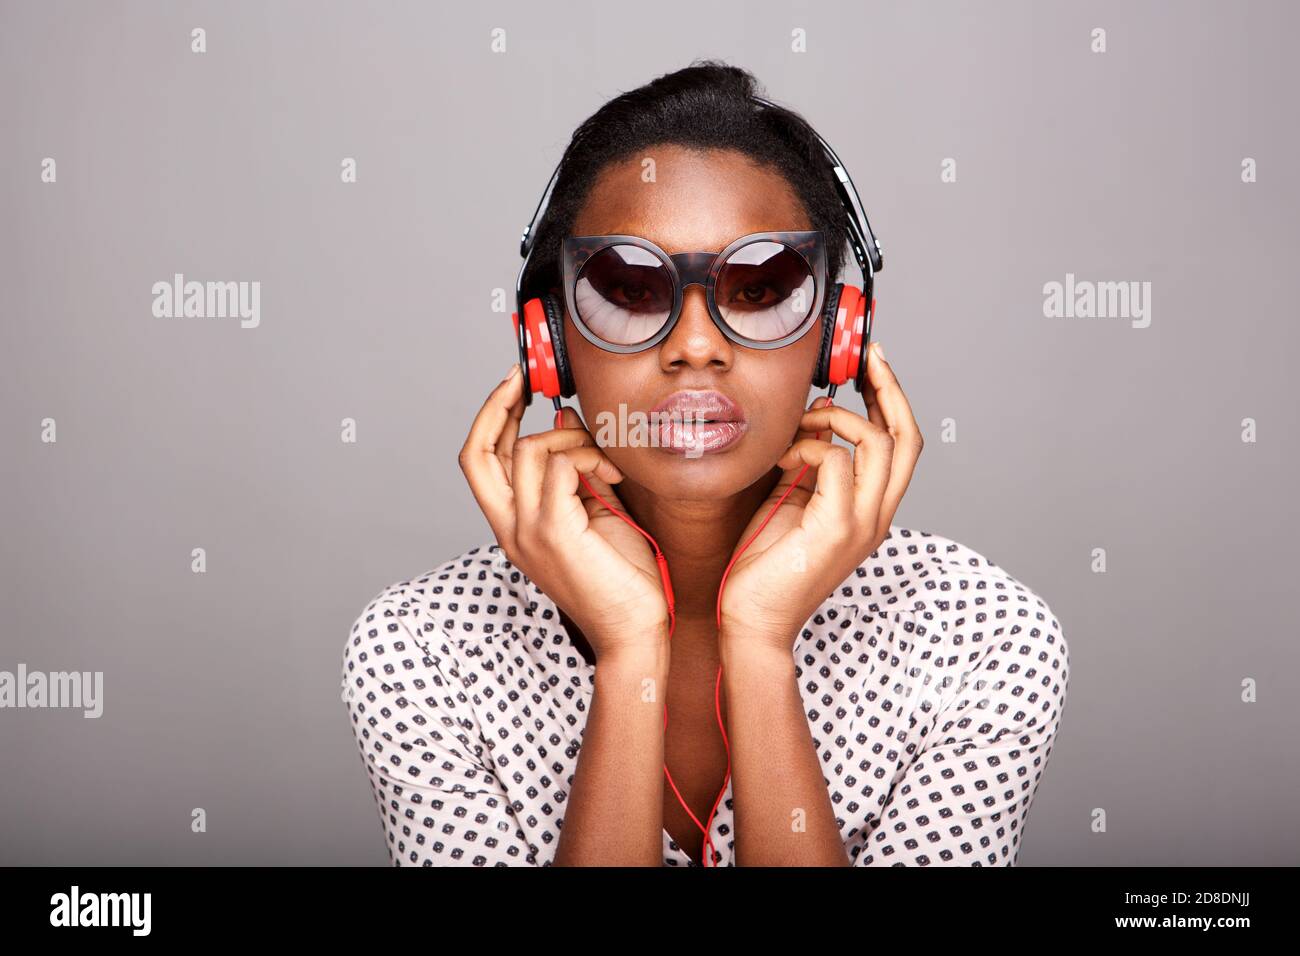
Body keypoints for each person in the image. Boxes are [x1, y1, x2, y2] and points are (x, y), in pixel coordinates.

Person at [341, 60, 1069, 867]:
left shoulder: (984, 637)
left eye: (761, 289)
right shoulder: (421, 649)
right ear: (549, 345)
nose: (696, 347)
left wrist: (759, 645)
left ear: (839, 338)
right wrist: (628, 653)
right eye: (629, 287)